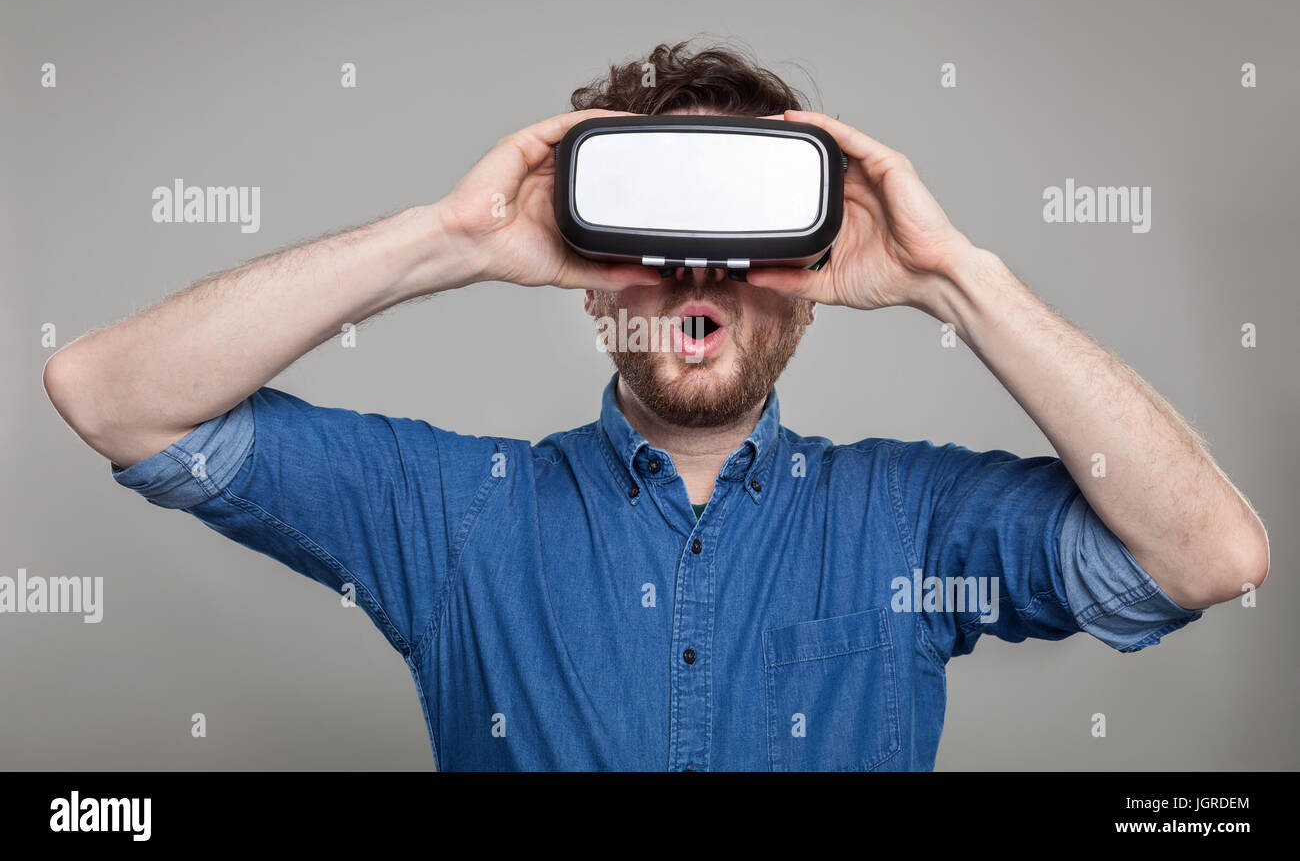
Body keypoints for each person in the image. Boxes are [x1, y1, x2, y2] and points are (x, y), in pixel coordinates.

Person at [42, 40, 1269, 771]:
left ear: (806, 290)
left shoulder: (911, 521)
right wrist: (448, 237)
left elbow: (1212, 553)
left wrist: (957, 277)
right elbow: (109, 396)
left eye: (739, 241)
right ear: (587, 281)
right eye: (655, 236)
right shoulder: (456, 517)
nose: (697, 273)